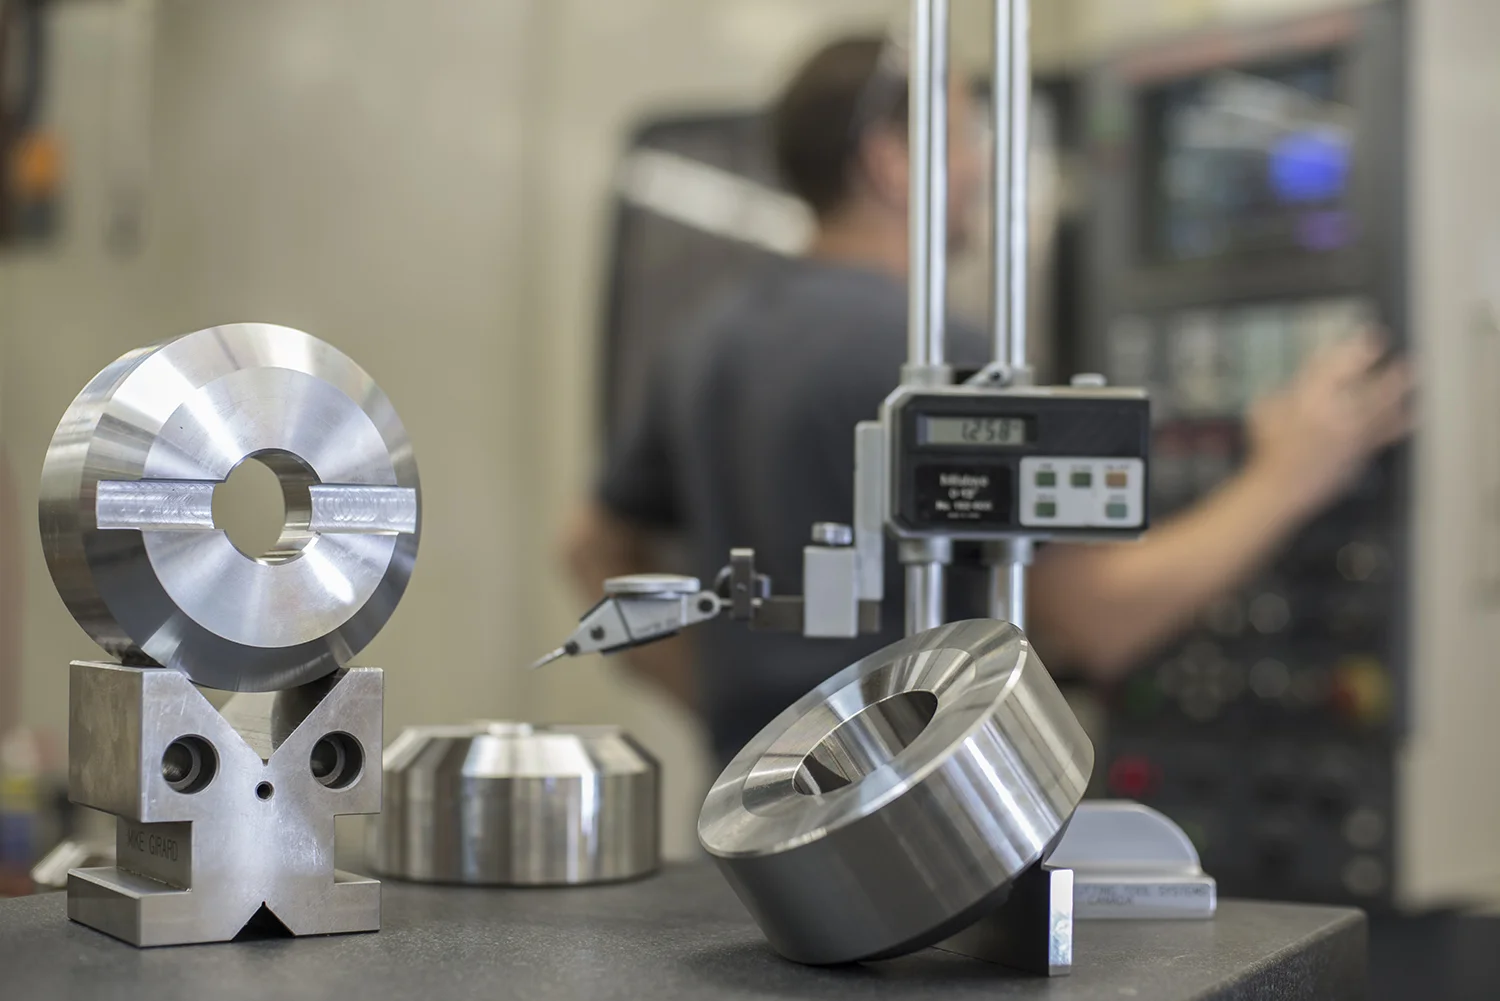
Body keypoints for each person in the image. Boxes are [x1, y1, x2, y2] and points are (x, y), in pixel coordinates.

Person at [563, 36, 1412, 767]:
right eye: (968, 135)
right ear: (892, 161)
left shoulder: (706, 343)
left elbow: (588, 549)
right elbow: (1094, 619)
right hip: (904, 830)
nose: (981, 167)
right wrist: (1287, 475)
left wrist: (734, 708)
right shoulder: (939, 359)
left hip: (749, 812)